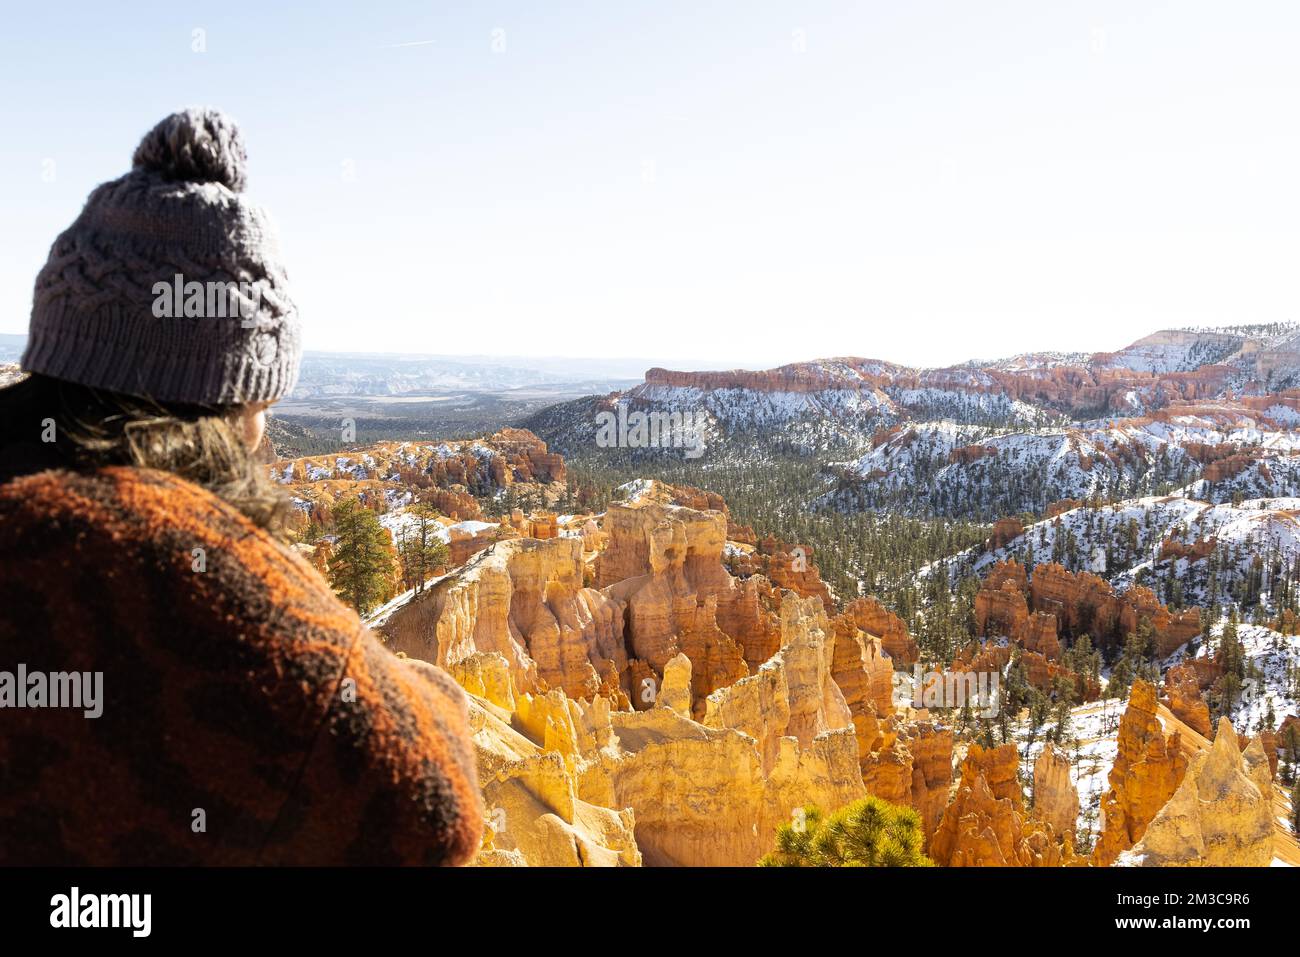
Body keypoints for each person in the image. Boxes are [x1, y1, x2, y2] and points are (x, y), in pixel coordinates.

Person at [0, 108, 483, 865]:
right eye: (261, 402)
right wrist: (424, 689)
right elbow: (434, 810)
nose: (263, 432)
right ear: (230, 405)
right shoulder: (211, 585)